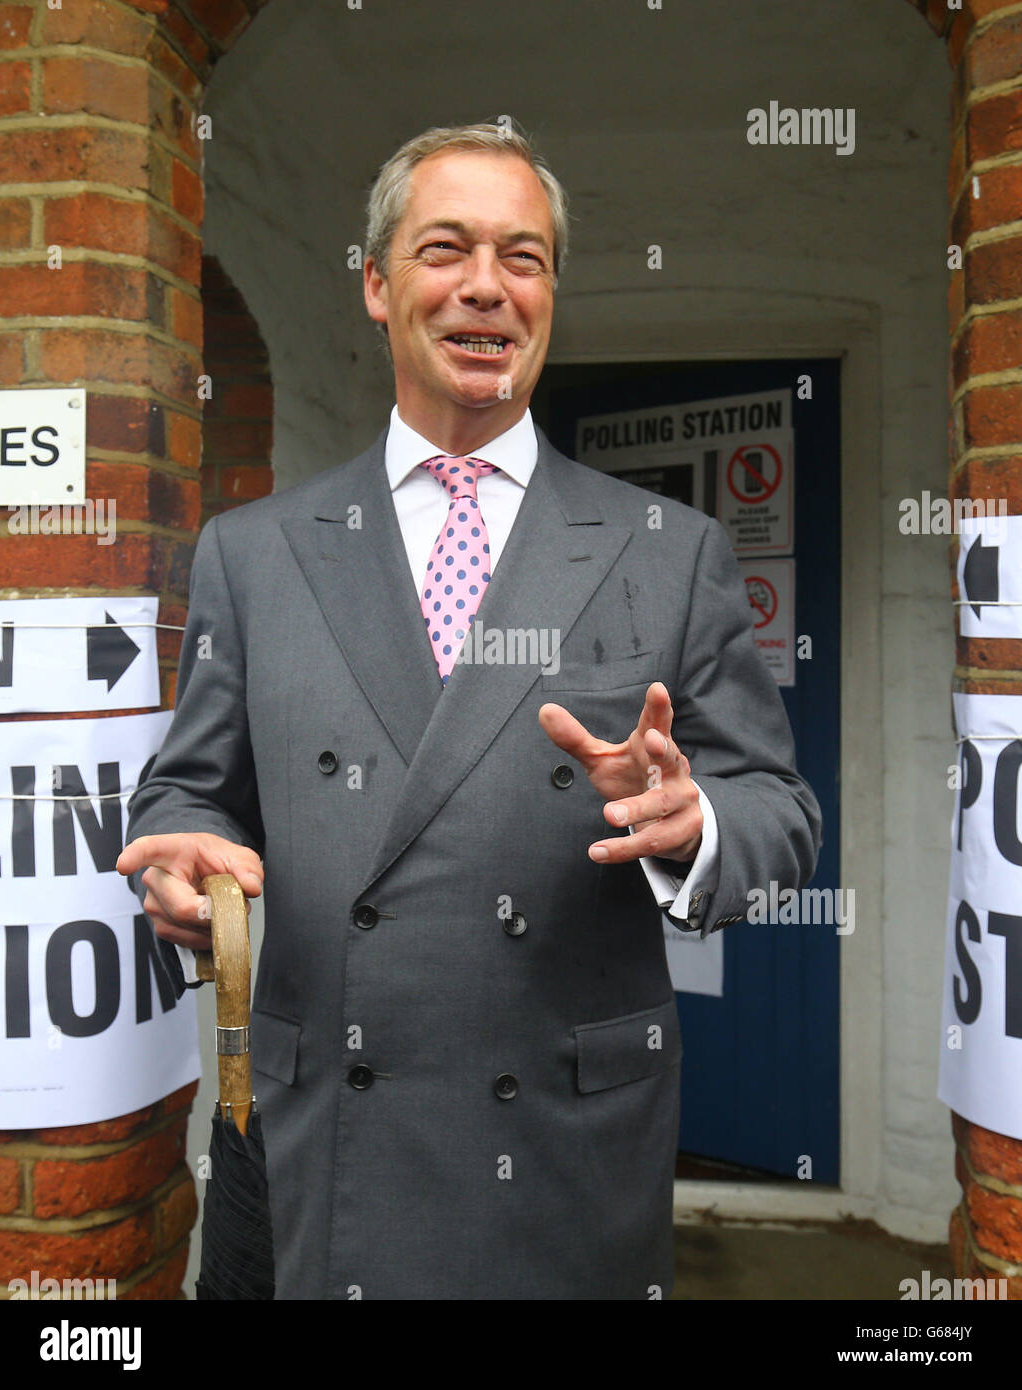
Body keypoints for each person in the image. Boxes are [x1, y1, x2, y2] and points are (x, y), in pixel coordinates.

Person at [117, 122, 821, 1300]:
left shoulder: (668, 549)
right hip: (312, 1139)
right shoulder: (255, 552)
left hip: (560, 1152)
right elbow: (192, 788)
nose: (486, 284)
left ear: (550, 296)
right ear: (379, 287)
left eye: (525, 256)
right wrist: (182, 858)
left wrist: (695, 825)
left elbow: (781, 813)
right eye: (445, 249)